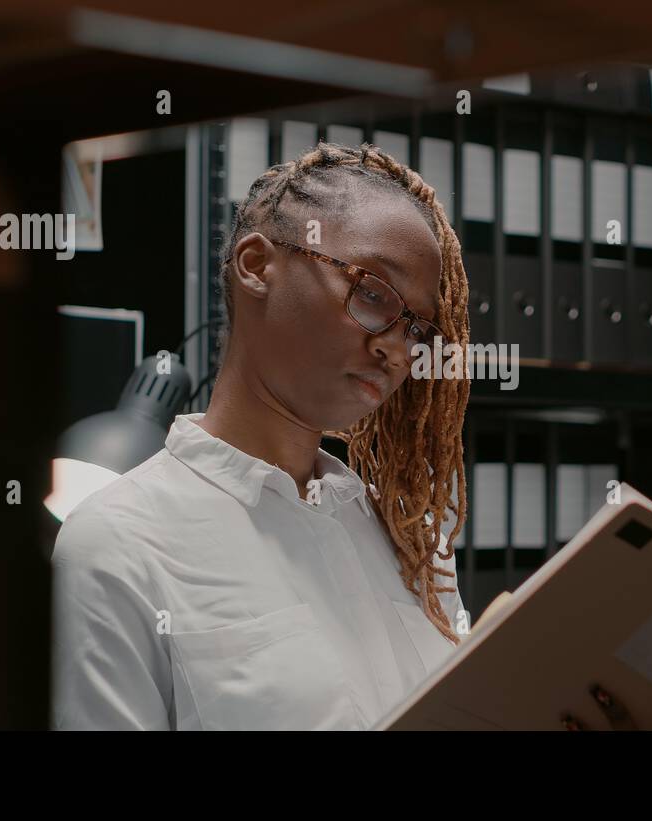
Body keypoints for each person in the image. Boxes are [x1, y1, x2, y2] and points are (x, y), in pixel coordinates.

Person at [51, 141, 472, 730]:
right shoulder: (119, 545)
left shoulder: (412, 543)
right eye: (374, 294)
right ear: (255, 265)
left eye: (417, 328)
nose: (397, 350)